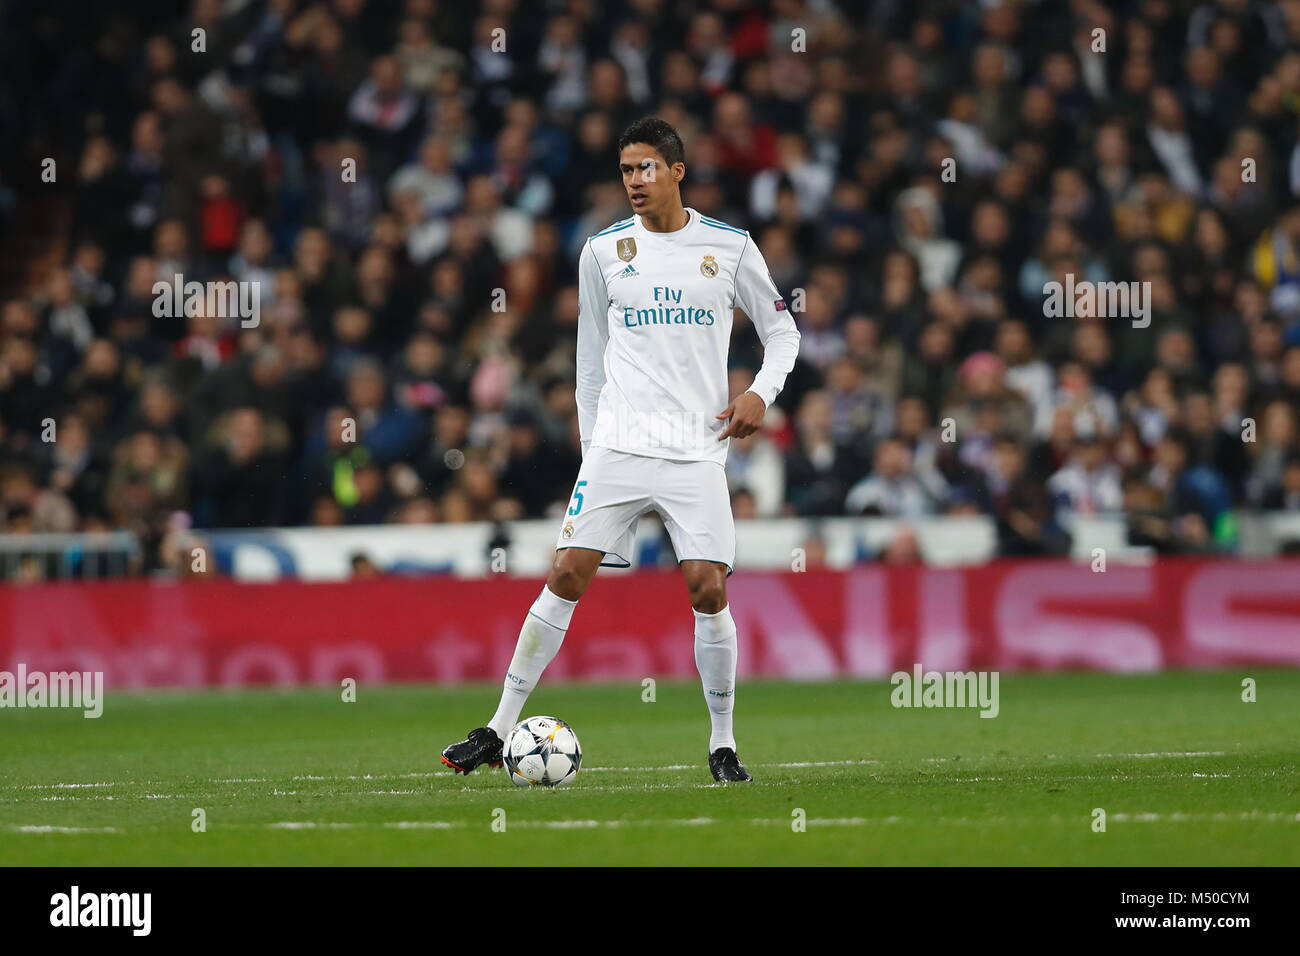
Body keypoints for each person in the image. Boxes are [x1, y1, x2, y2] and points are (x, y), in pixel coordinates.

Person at [440, 117, 800, 783]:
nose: (634, 181)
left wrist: (760, 393)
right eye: (626, 170)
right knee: (565, 574)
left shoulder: (730, 246)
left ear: (677, 171)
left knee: (707, 587)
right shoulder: (603, 252)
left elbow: (784, 332)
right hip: (618, 445)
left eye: (646, 168)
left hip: (697, 450)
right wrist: (591, 449)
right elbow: (588, 365)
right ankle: (496, 729)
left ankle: (722, 743)